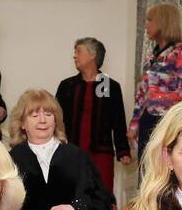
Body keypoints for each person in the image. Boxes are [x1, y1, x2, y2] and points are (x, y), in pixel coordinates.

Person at [56, 37, 131, 201]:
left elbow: (117, 119)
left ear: (92, 55)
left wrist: (123, 149)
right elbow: (56, 119)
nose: (74, 56)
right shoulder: (67, 85)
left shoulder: (107, 85)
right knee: (72, 194)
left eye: (78, 52)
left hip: (100, 152)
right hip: (72, 150)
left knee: (101, 196)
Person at [128, 3, 182, 165]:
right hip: (147, 120)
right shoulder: (152, 55)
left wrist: (158, 97)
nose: (146, 24)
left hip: (168, 121)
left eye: (150, 20)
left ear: (163, 22)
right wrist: (134, 123)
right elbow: (142, 93)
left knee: (165, 171)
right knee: (145, 171)